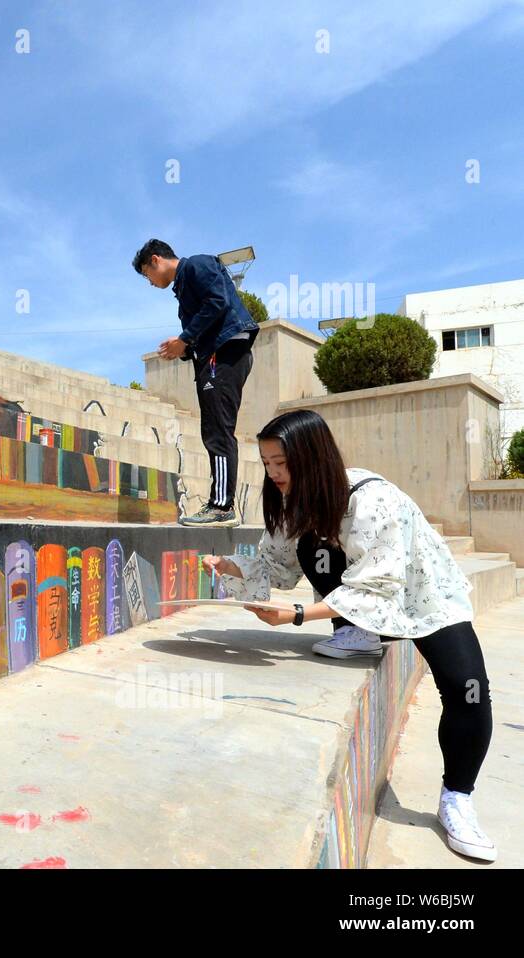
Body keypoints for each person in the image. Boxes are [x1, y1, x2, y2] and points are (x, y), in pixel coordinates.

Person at [202, 409, 496, 862]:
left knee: (467, 691)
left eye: (282, 463)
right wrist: (233, 568)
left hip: (425, 595)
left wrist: (300, 614)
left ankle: (457, 796)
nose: (274, 474)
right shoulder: (290, 501)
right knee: (312, 545)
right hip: (365, 596)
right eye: (266, 464)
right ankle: (354, 631)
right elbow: (274, 565)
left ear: (312, 457)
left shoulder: (372, 499)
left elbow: (379, 584)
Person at [133, 239, 260, 527]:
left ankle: (222, 506)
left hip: (224, 355)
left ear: (155, 260)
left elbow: (218, 301)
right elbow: (207, 319)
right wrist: (183, 348)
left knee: (218, 429)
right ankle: (220, 503)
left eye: (146, 275)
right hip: (216, 355)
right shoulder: (184, 286)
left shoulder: (196, 265)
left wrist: (185, 339)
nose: (150, 283)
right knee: (213, 428)